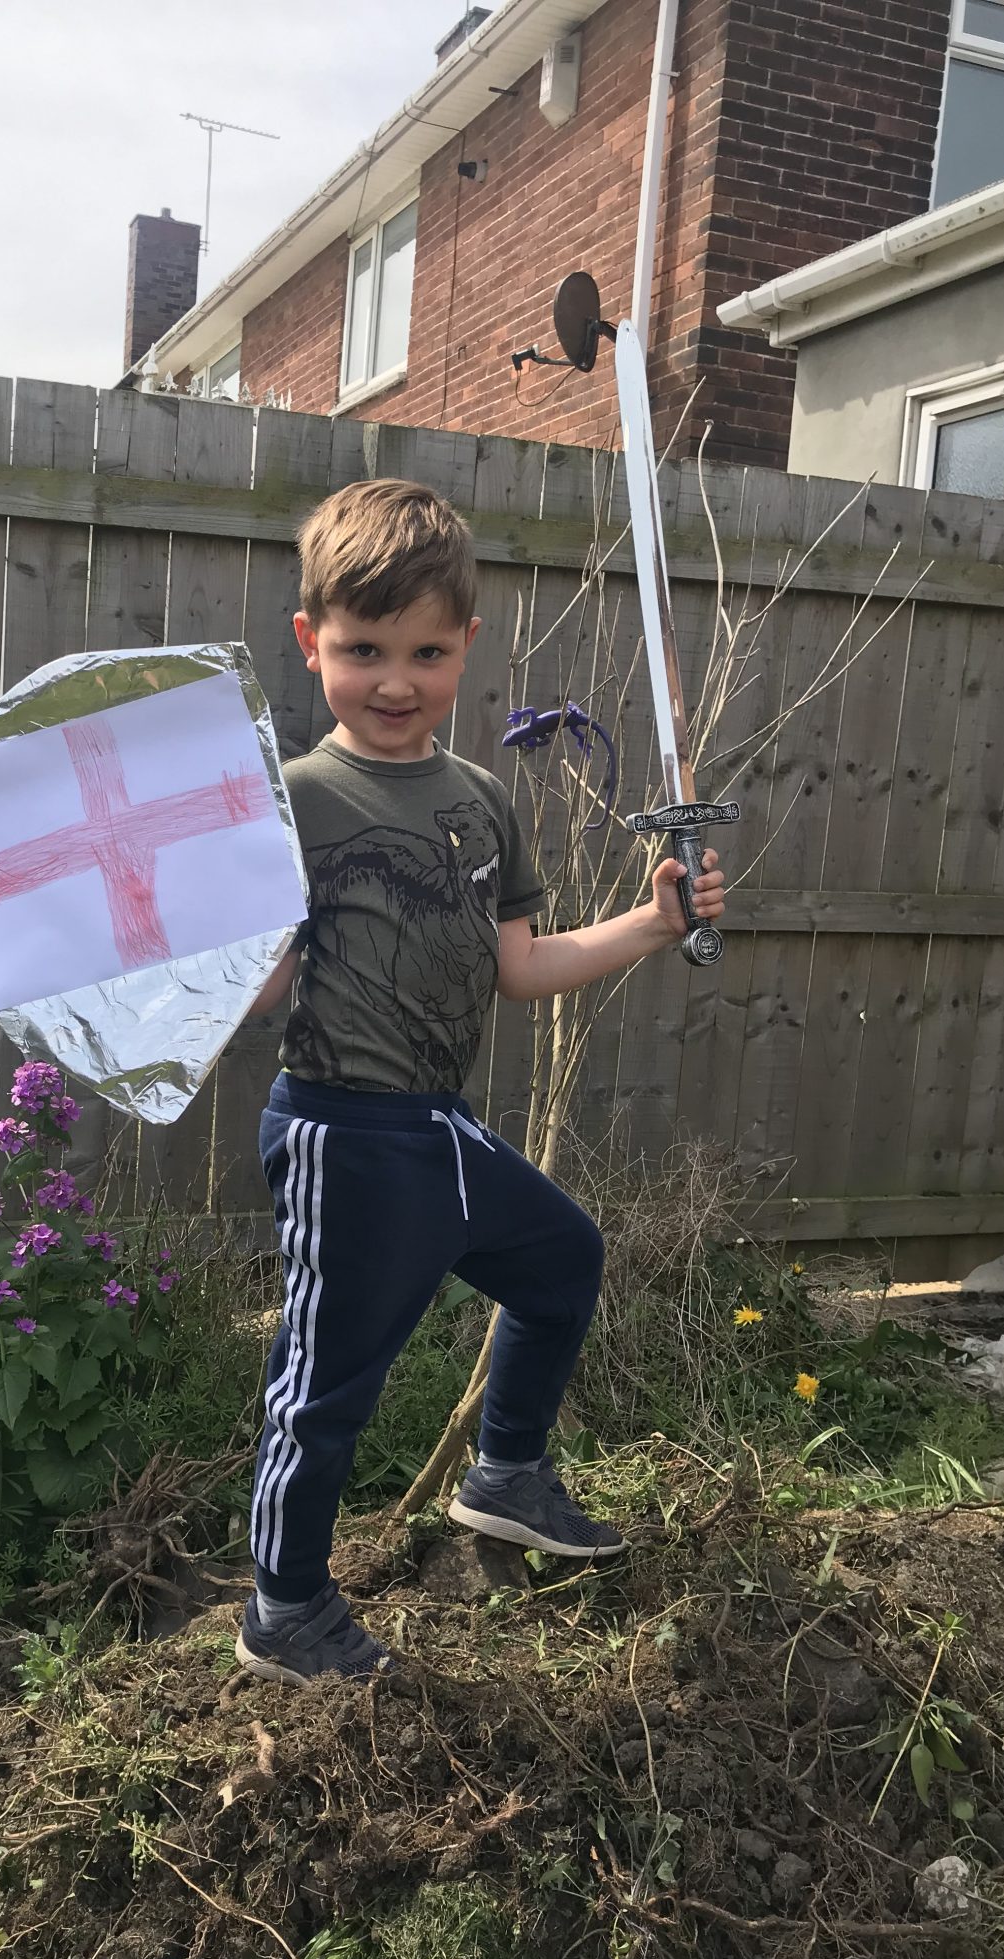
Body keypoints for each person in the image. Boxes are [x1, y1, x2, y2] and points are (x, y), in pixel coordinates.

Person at [236, 478, 725, 1686]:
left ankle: (505, 1473)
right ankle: (284, 1607)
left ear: (467, 643)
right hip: (342, 1130)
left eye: (426, 652)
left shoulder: (483, 799)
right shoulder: (290, 801)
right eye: (363, 650)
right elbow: (260, 986)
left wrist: (653, 923)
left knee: (561, 1258)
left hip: (437, 1126)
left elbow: (520, 967)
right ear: (312, 640)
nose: (395, 680)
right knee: (326, 1382)